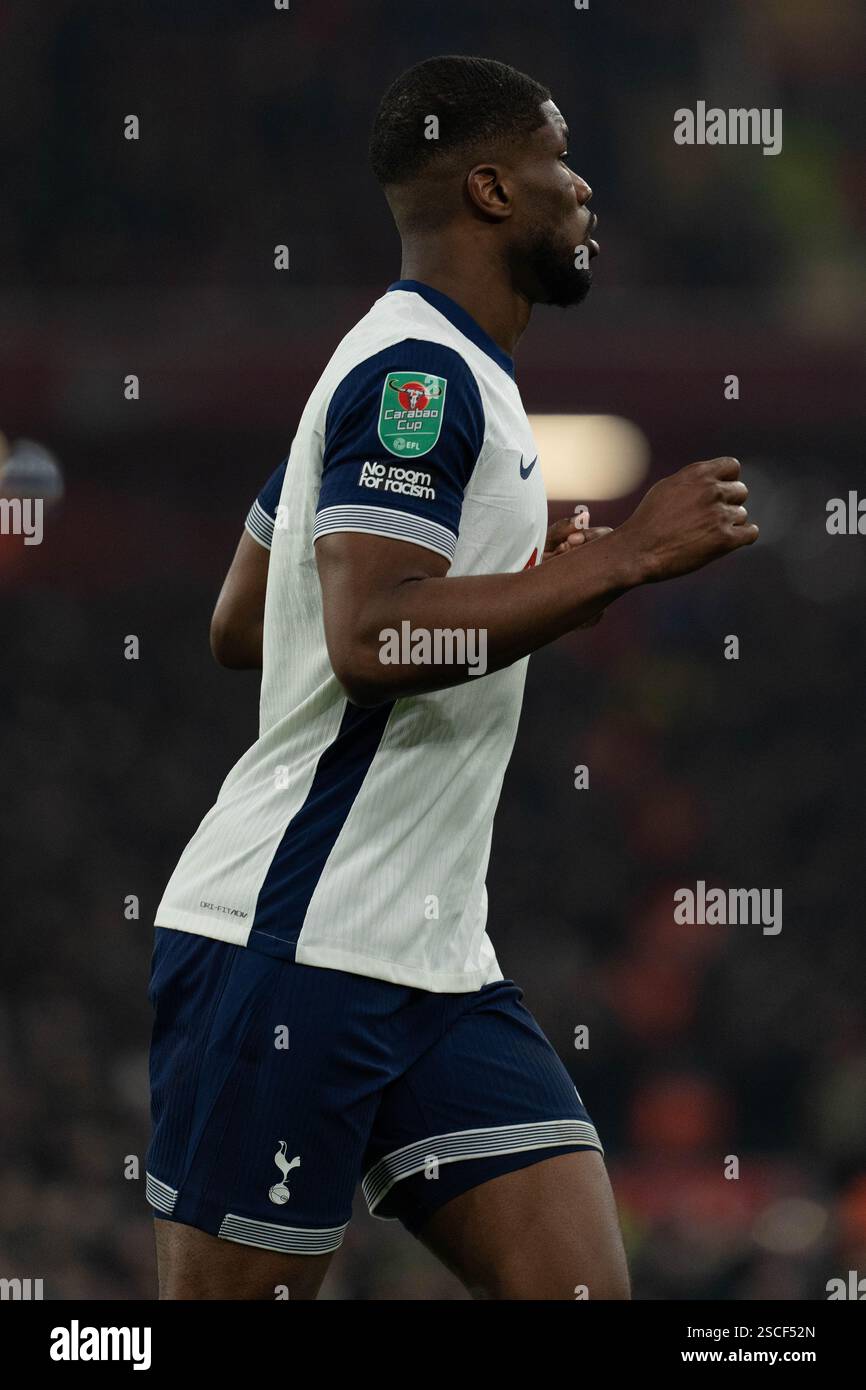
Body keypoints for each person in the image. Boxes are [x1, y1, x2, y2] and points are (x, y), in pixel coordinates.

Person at [146, 55, 757, 1301]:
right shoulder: (413, 379)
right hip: (292, 947)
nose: (583, 186)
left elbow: (242, 621)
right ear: (489, 188)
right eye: (559, 157)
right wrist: (624, 558)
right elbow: (369, 642)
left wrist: (528, 587)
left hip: (434, 961)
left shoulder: (410, 366)